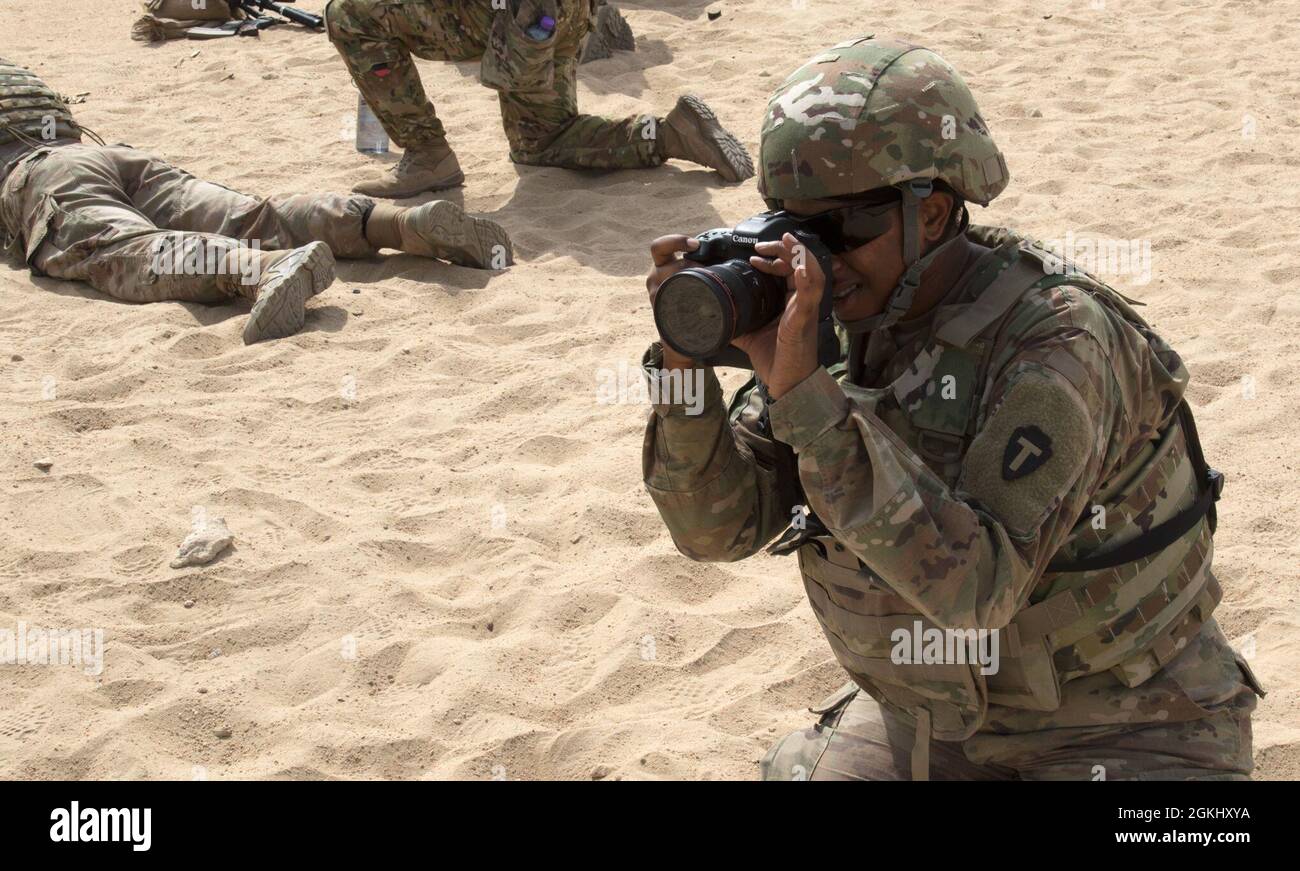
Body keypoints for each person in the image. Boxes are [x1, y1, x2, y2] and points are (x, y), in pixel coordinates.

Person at [640, 36, 1263, 780]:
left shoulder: (1056, 337)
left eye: (842, 229)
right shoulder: (832, 330)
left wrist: (809, 399)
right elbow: (715, 530)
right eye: (792, 226)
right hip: (931, 716)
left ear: (931, 215)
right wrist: (683, 373)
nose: (816, 258)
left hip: (1121, 721)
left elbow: (977, 587)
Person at [0, 59, 513, 345]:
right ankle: (399, 223)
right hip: (109, 155)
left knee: (124, 250)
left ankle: (259, 269)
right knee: (254, 215)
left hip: (43, 177)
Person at [325, 0, 754, 197]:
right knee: (543, 140)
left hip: (512, 16)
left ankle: (425, 154)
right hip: (562, 16)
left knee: (351, 15)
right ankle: (668, 135)